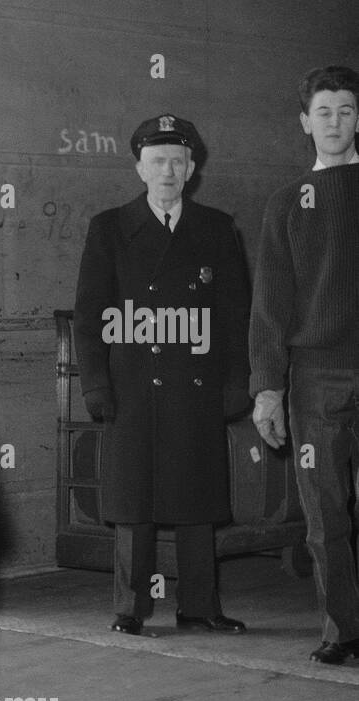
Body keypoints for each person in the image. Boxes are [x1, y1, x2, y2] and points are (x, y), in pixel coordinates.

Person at [73, 115, 251, 636]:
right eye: (157, 162)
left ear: (191, 168)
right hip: (133, 384)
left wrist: (236, 383)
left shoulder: (217, 228)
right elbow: (90, 315)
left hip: (196, 383)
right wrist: (96, 385)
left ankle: (200, 606)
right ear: (140, 168)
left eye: (177, 161)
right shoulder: (109, 227)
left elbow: (236, 316)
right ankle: (130, 609)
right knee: (136, 503)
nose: (167, 171)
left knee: (197, 500)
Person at [249, 65, 359, 664]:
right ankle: (343, 630)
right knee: (325, 516)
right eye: (324, 112)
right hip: (314, 380)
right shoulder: (287, 203)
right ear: (304, 123)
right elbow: (270, 305)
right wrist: (267, 388)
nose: (335, 121)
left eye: (346, 110)